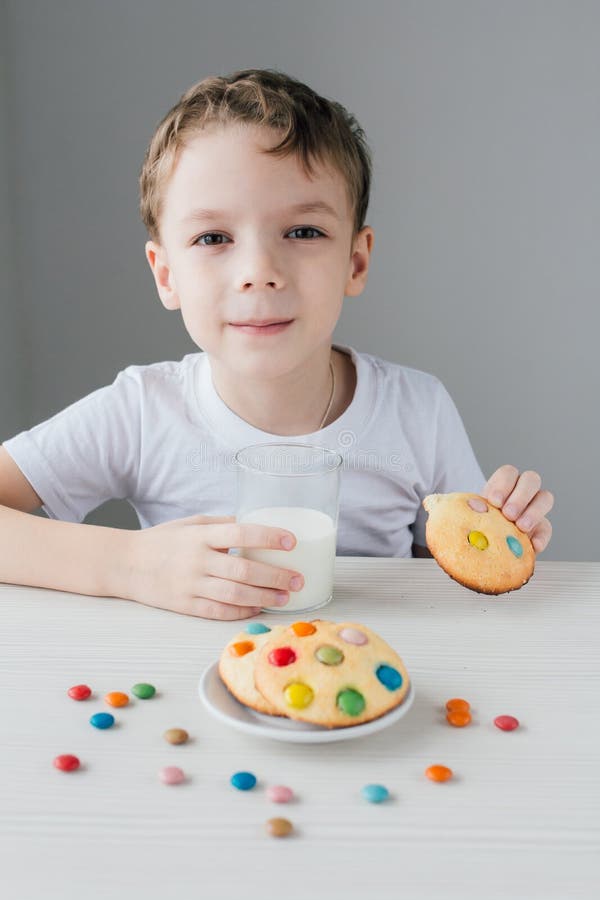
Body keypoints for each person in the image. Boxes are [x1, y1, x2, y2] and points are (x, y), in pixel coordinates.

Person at [0, 69, 554, 620]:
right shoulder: (142, 413)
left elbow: (459, 576)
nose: (259, 272)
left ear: (355, 262)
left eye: (303, 232)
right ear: (166, 275)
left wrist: (510, 530)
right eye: (213, 237)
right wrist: (129, 565)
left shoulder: (418, 412)